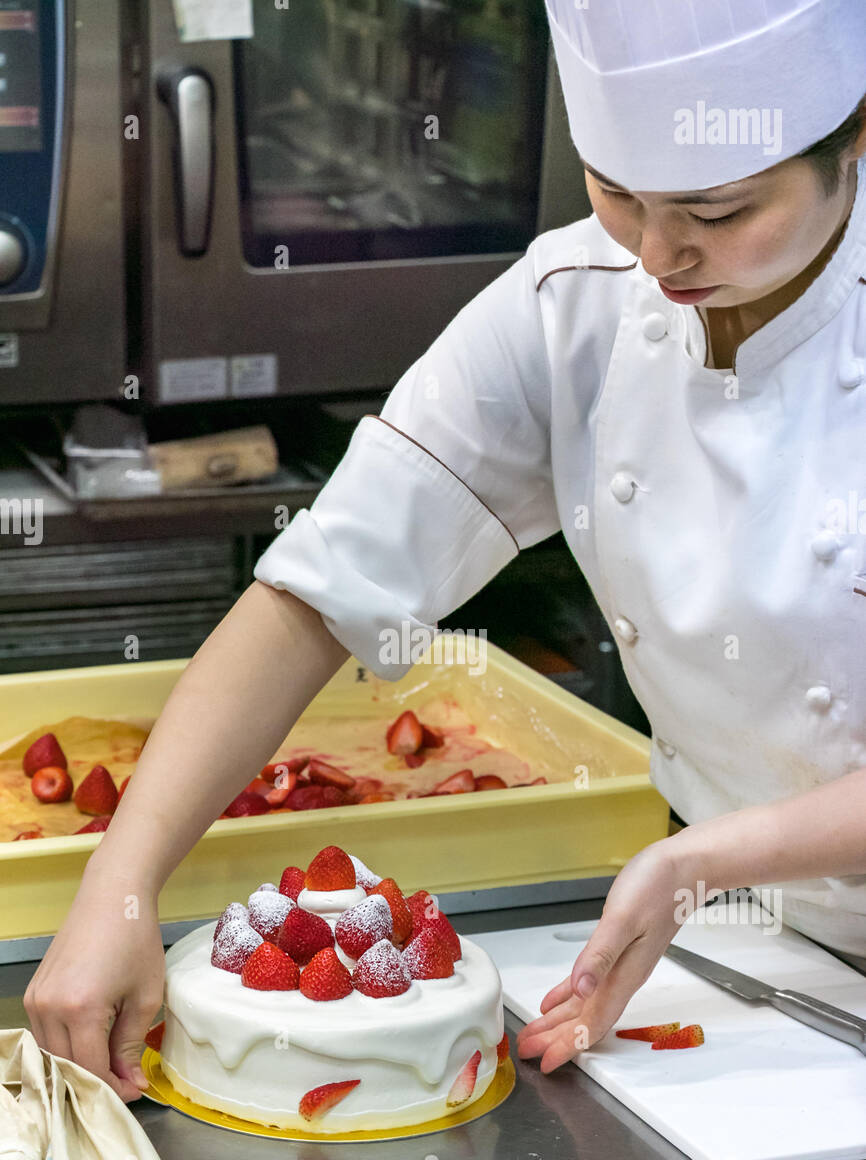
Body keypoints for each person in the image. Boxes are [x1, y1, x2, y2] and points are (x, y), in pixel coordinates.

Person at [24, 0, 866, 1096]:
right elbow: (319, 589)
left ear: (852, 139)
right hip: (758, 946)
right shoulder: (574, 303)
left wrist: (695, 858)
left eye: (715, 208)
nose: (658, 254)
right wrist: (117, 890)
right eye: (615, 192)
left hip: (713, 887)